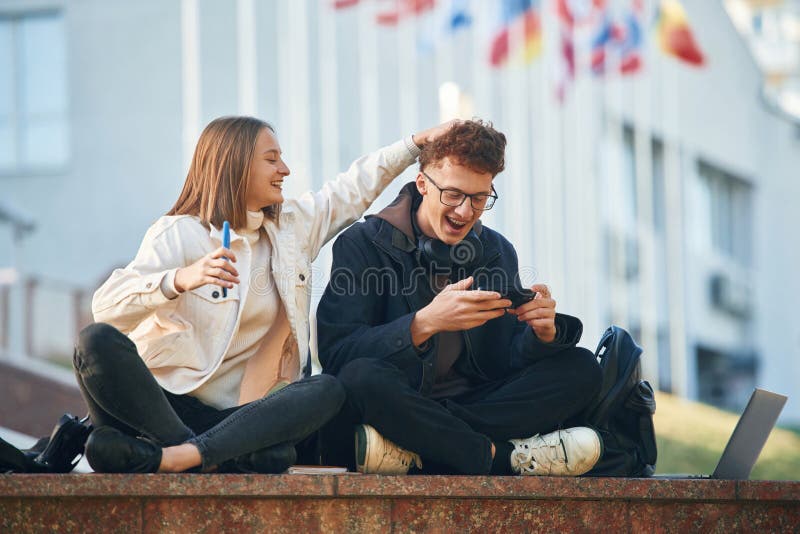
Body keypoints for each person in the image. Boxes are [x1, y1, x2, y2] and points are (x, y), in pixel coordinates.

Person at [74, 115, 451, 473]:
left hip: (235, 417)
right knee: (95, 341)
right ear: (234, 165)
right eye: (271, 159)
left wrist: (415, 144)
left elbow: (351, 189)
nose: (284, 170)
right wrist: (179, 279)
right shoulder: (178, 233)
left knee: (326, 389)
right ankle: (202, 456)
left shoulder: (291, 229)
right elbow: (106, 308)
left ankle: (180, 456)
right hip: (162, 405)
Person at [316, 119, 603, 476]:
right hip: (395, 397)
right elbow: (338, 356)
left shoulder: (496, 251)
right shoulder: (362, 244)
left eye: (480, 198)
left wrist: (539, 336)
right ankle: (498, 458)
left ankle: (418, 450)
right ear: (422, 184)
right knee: (361, 377)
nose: (465, 212)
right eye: (453, 194)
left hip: (456, 407)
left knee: (582, 368)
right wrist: (424, 324)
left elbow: (505, 361)